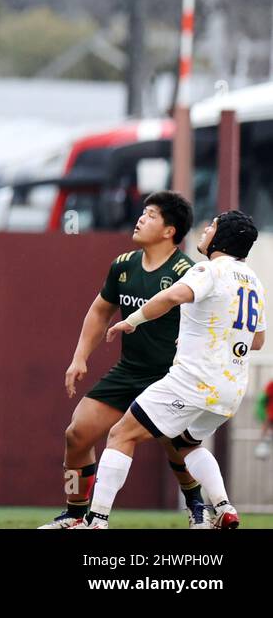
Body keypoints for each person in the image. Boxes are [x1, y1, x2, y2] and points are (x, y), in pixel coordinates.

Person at [80, 211, 264, 528]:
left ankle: (95, 520)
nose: (205, 230)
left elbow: (173, 295)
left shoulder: (209, 269)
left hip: (194, 381)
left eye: (212, 226)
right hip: (230, 390)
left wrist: (131, 320)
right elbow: (257, 340)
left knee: (121, 434)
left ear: (221, 238)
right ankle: (223, 507)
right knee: (186, 444)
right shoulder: (254, 281)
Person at [38, 192, 210, 528]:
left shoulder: (186, 272)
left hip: (170, 375)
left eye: (150, 215)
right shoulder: (123, 265)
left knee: (178, 444)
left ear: (169, 231)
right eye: (142, 213)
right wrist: (79, 359)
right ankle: (75, 515)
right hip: (129, 371)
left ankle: (197, 507)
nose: (141, 219)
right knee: (77, 434)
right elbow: (100, 310)